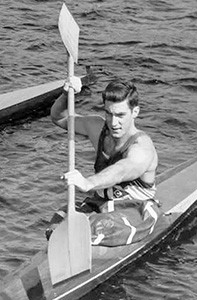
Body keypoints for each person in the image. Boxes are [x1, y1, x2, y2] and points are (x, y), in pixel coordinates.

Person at [49, 78, 160, 246]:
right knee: (60, 219)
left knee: (102, 225)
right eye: (109, 113)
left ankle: (91, 240)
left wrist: (88, 183)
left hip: (134, 209)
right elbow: (59, 118)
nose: (114, 123)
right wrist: (66, 94)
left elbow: (121, 170)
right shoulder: (97, 128)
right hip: (100, 206)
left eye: (121, 115)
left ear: (135, 112)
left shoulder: (142, 147)